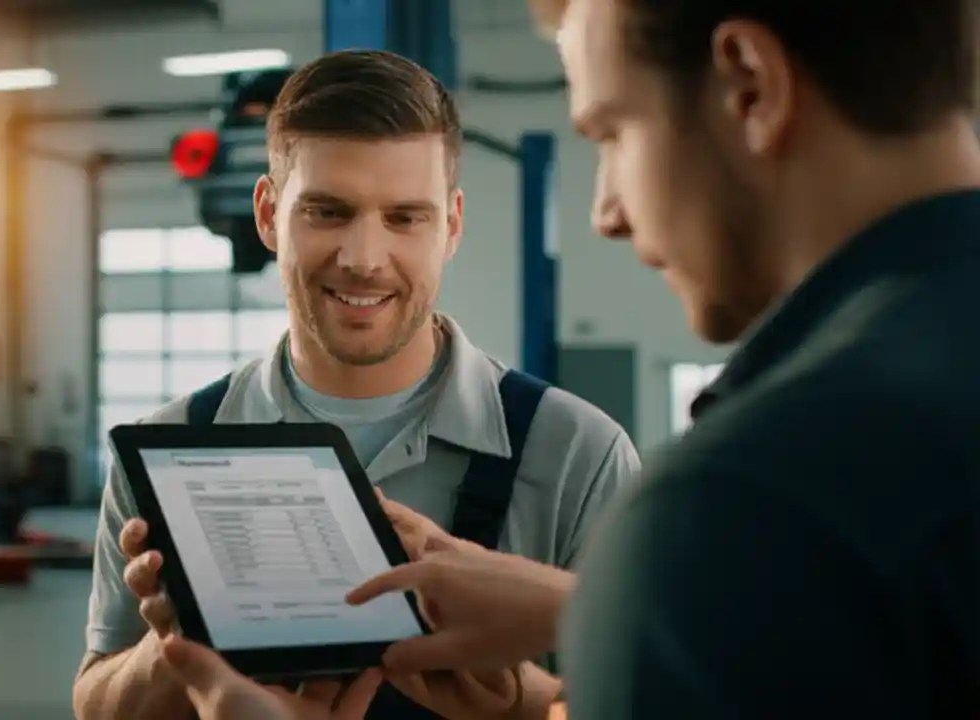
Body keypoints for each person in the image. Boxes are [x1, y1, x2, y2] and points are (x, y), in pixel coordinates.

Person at [149, 0, 980, 716]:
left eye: (611, 132)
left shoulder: (750, 498)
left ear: (750, 86)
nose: (606, 212)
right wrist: (583, 611)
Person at [72, 48, 641, 720]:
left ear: (451, 225)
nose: (364, 259)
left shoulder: (576, 453)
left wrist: (510, 696)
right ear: (268, 215)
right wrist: (175, 643)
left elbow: (649, 698)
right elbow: (96, 704)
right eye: (328, 212)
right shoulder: (168, 447)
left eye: (405, 217)